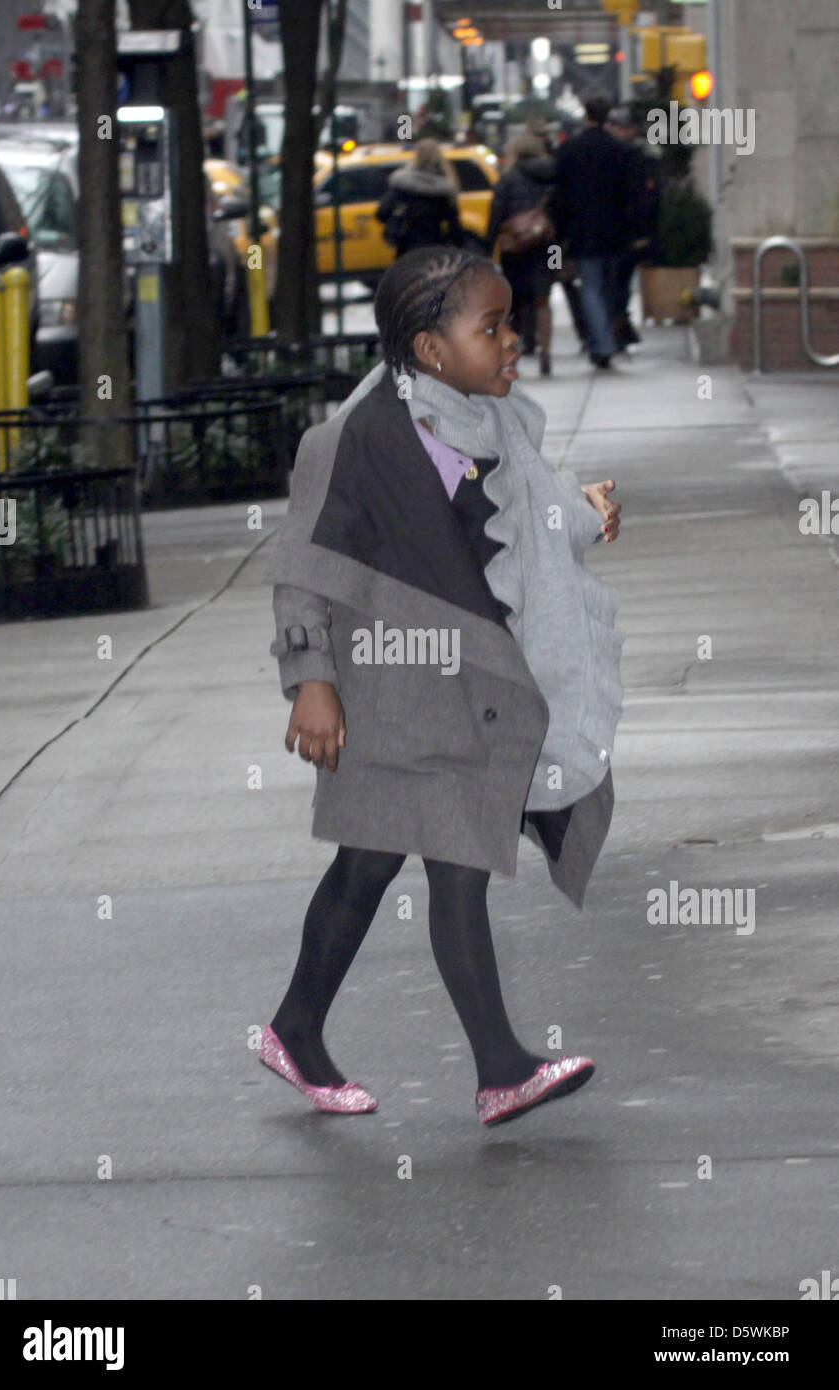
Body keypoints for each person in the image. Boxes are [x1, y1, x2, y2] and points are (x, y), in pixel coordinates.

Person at [258, 246, 624, 1128]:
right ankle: (499, 1068)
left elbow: (506, 523)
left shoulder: (489, 422)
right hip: (382, 694)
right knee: (448, 863)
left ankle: (295, 1028)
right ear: (428, 349)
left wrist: (580, 513)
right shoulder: (354, 438)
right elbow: (302, 567)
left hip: (463, 685)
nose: (511, 342)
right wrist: (311, 681)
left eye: (509, 321)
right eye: (490, 327)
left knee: (372, 865)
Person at [552, 94, 640, 368]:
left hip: (582, 231)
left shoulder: (569, 151)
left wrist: (561, 236)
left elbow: (560, 196)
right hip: (615, 232)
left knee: (590, 288)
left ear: (586, 116)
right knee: (612, 288)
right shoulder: (621, 151)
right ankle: (608, 337)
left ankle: (601, 343)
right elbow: (632, 194)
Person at [486, 132, 557, 375]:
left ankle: (513, 356)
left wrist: (489, 245)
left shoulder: (508, 179)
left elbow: (496, 213)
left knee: (513, 304)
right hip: (546, 247)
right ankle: (546, 354)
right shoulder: (552, 176)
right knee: (542, 301)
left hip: (515, 247)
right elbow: (562, 209)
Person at [607, 105, 661, 350]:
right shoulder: (633, 155)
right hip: (623, 231)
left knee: (616, 282)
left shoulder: (632, 155)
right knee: (617, 282)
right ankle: (615, 325)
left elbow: (646, 196)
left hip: (623, 231)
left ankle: (614, 325)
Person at [375, 138, 465, 257]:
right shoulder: (445, 189)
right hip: (434, 246)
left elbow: (381, 213)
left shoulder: (402, 184)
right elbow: (455, 227)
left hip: (406, 245)